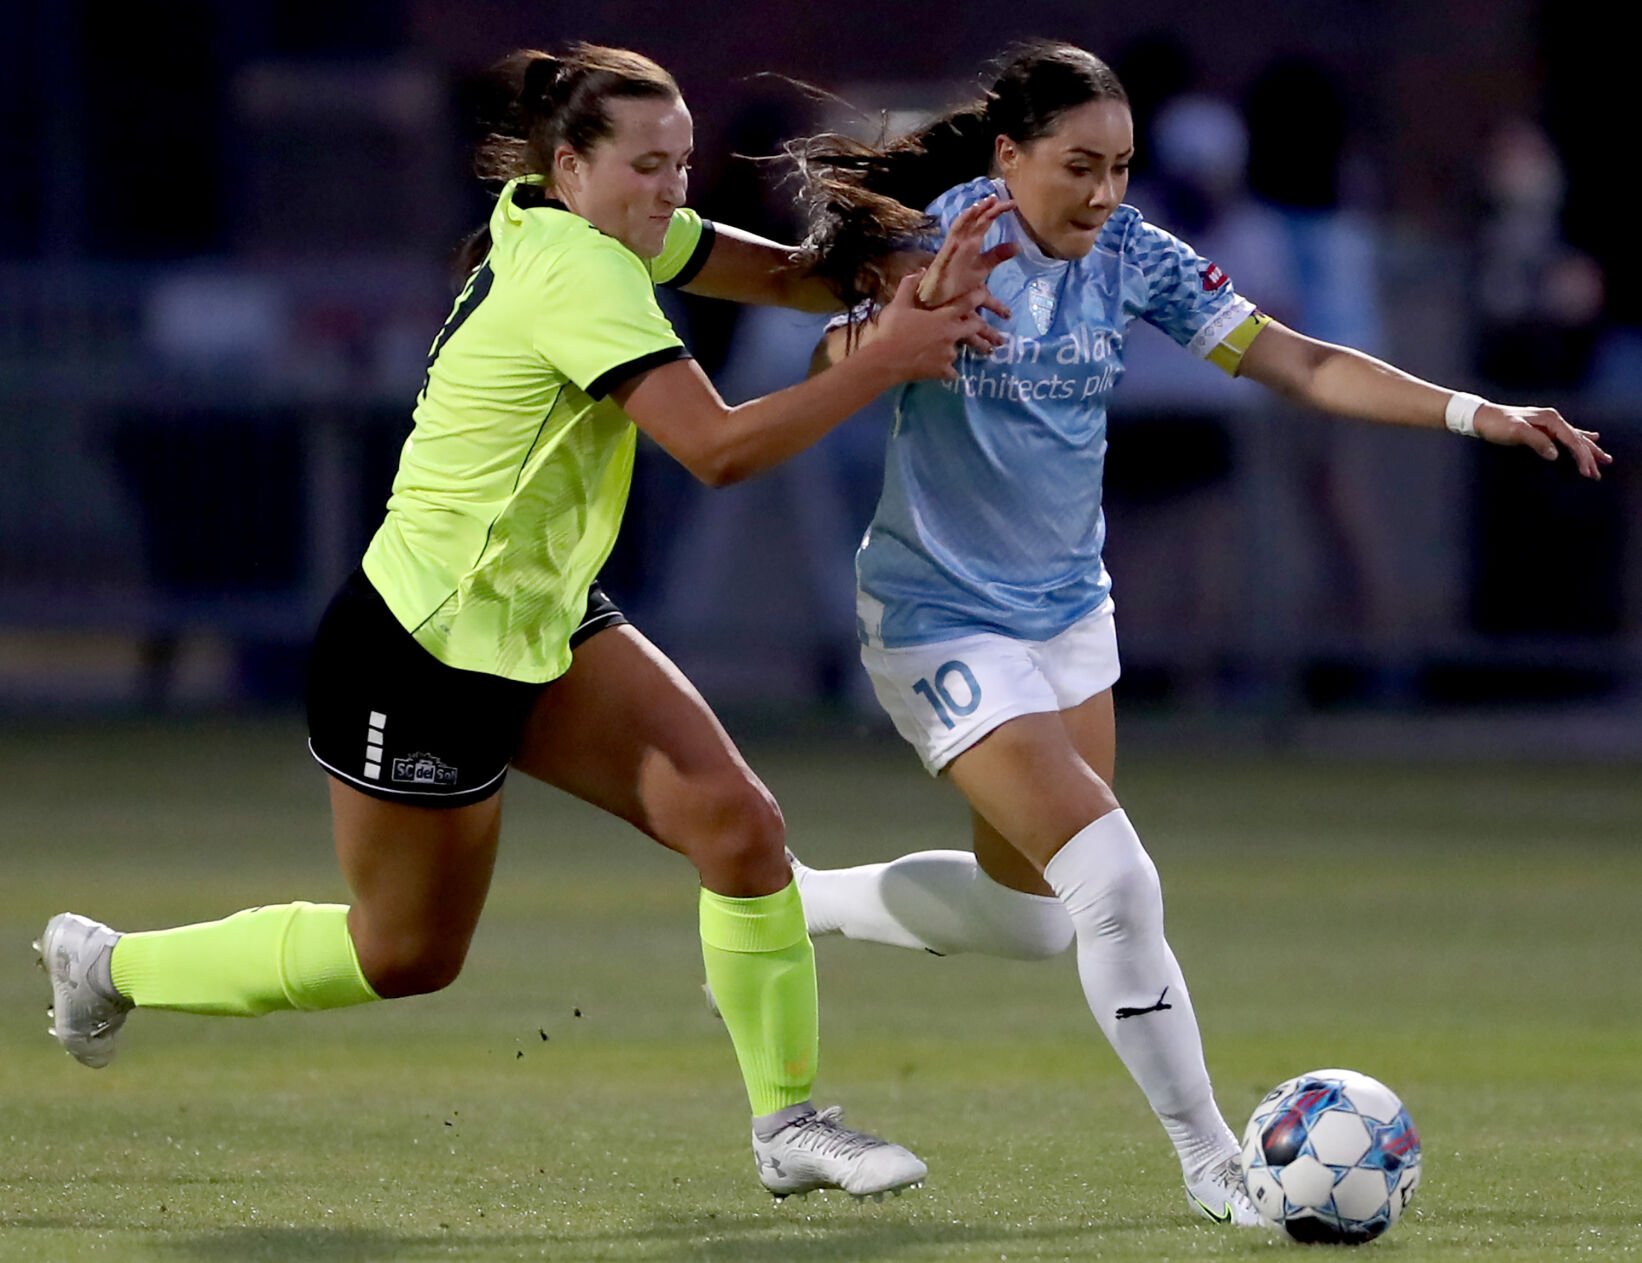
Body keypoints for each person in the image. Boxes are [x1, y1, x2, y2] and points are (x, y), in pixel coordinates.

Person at [36, 42, 996, 1202]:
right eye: (647, 165)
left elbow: (785, 277)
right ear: (568, 164)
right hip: (421, 651)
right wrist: (884, 358)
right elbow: (718, 450)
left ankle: (787, 1125)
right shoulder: (576, 272)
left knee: (739, 832)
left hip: (544, 624)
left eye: (682, 164)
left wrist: (888, 279)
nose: (670, 190)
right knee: (404, 956)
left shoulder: (590, 224)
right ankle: (110, 964)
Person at [782, 40, 1611, 1225]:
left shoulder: (1130, 254)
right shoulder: (941, 244)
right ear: (1009, 156)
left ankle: (797, 902)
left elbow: (1301, 363)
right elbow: (827, 359)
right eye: (1078, 166)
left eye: (1120, 166)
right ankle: (1214, 1163)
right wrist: (895, 331)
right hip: (937, 616)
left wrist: (1476, 413)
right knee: (1115, 882)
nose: (1105, 192)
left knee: (1030, 915)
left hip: (1068, 612)